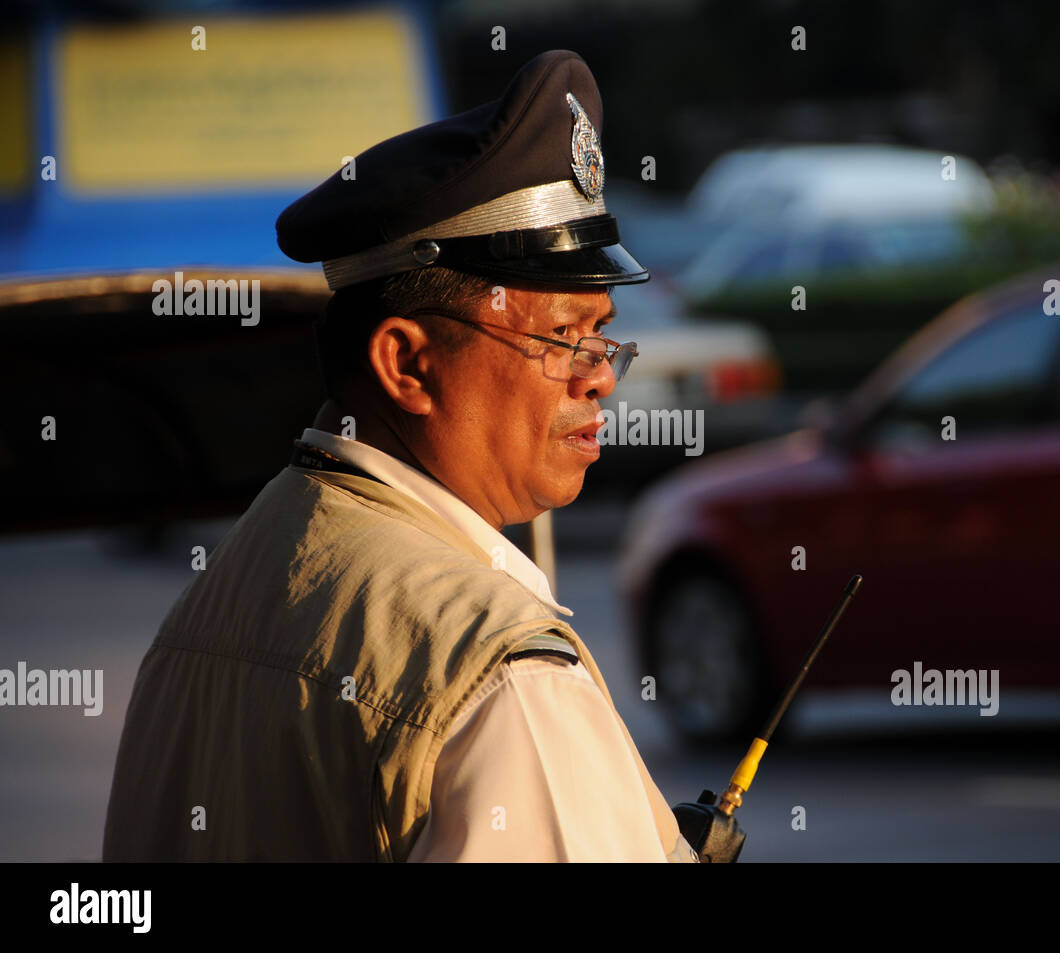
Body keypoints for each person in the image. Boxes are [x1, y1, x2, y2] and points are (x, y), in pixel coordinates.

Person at [103, 49, 698, 862]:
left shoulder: (203, 616)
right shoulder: (501, 674)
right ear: (408, 365)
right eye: (561, 338)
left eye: (601, 336)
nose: (599, 377)